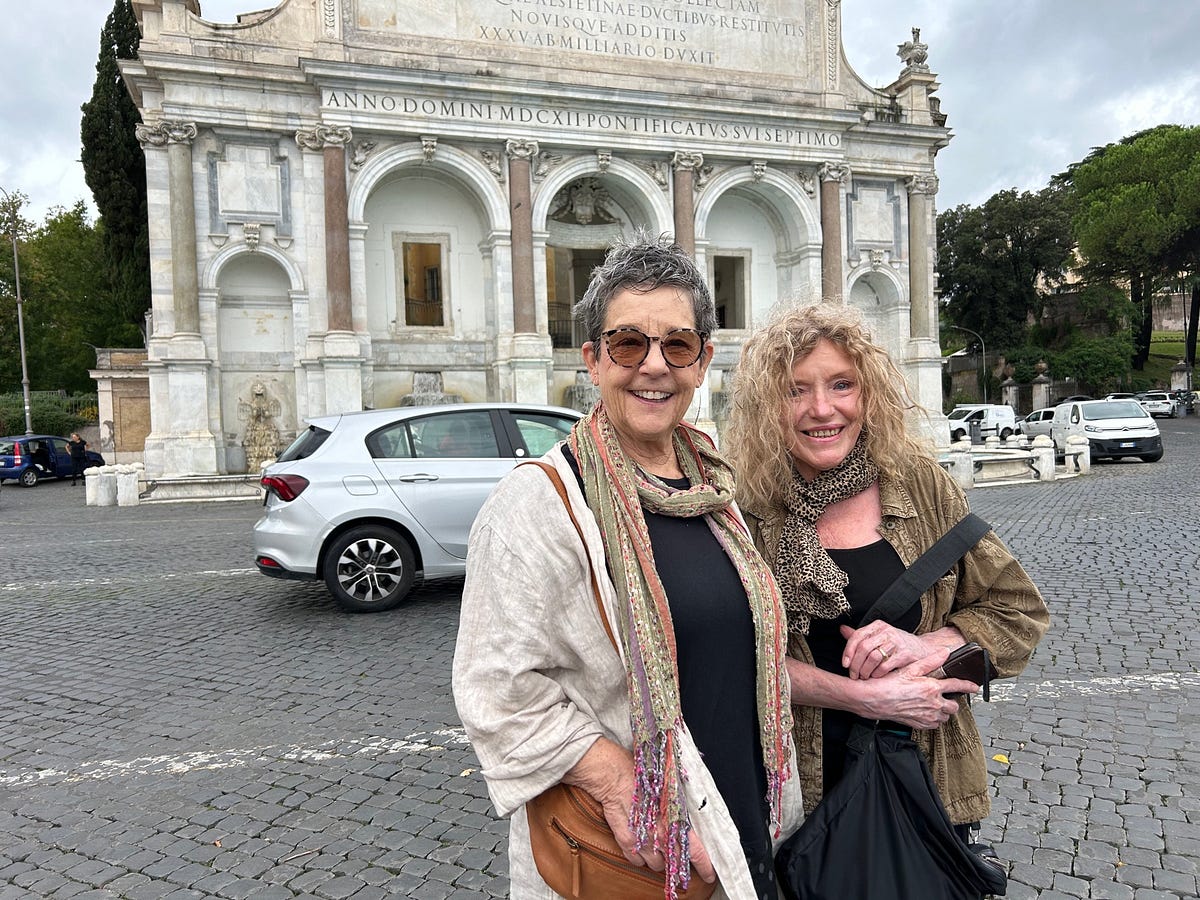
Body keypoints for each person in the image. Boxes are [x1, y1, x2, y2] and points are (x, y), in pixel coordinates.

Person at [453, 234, 803, 900]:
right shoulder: (538, 502)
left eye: (676, 345)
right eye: (627, 344)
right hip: (638, 852)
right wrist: (620, 784)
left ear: (703, 361)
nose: (653, 366)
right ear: (592, 359)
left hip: (746, 830)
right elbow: (496, 691)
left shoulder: (720, 489)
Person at [725, 304, 1049, 846]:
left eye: (841, 384)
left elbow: (1017, 610)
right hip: (792, 797)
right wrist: (865, 699)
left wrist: (933, 646)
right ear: (766, 407)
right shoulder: (743, 508)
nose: (821, 409)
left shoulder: (920, 486)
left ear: (868, 393)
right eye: (795, 390)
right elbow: (730, 665)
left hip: (923, 783)